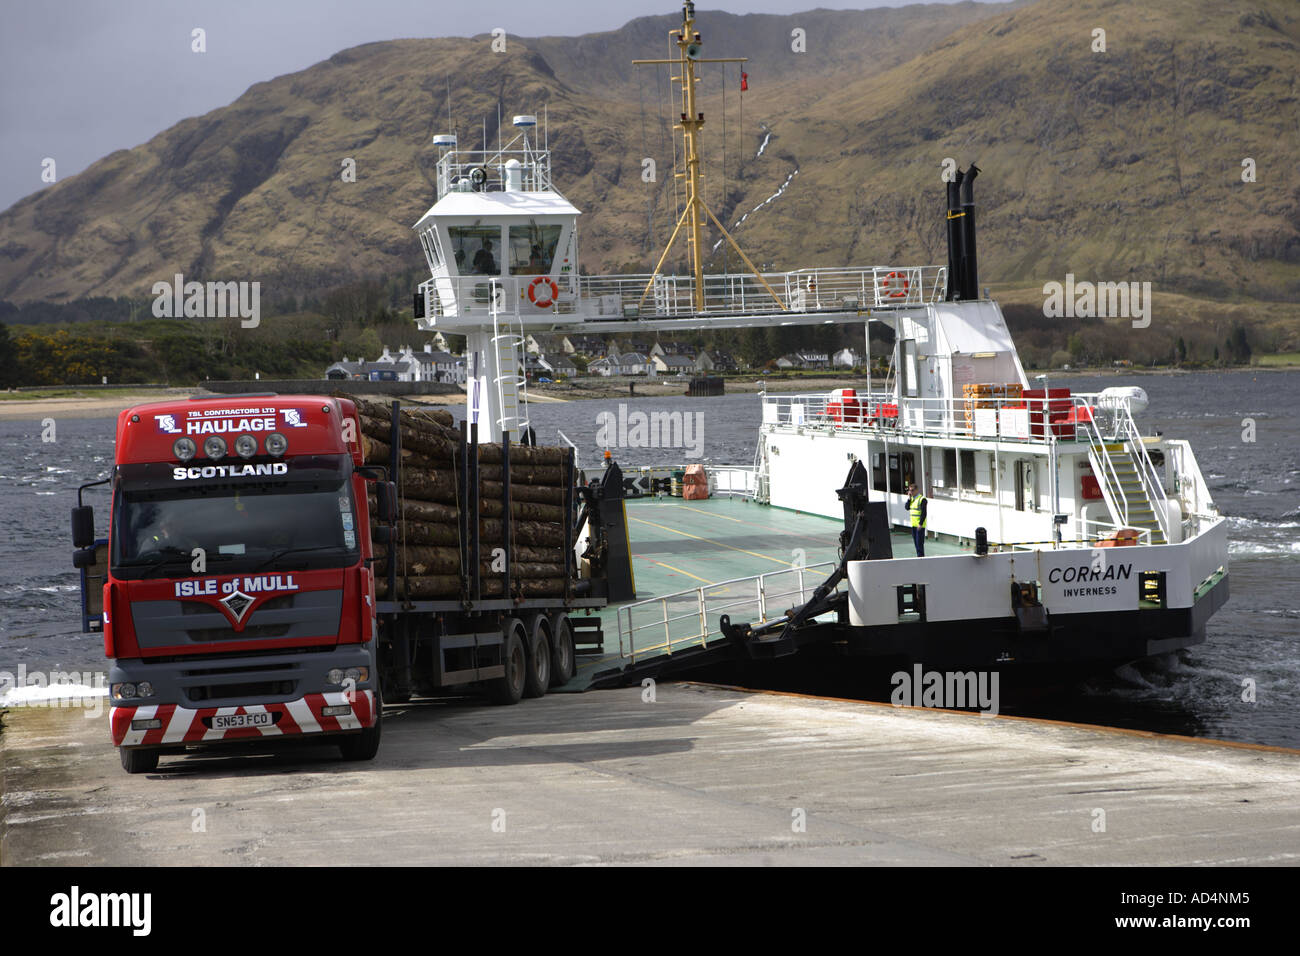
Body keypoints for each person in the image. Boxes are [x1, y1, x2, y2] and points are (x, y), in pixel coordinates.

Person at [906, 482, 927, 557]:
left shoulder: (922, 499)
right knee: (916, 543)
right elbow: (907, 508)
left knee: (919, 543)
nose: (910, 492)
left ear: (916, 490)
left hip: (919, 526)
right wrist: (908, 498)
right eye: (909, 490)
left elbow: (924, 513)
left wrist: (920, 524)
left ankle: (921, 558)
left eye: (912, 490)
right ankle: (919, 557)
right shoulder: (911, 499)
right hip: (913, 525)